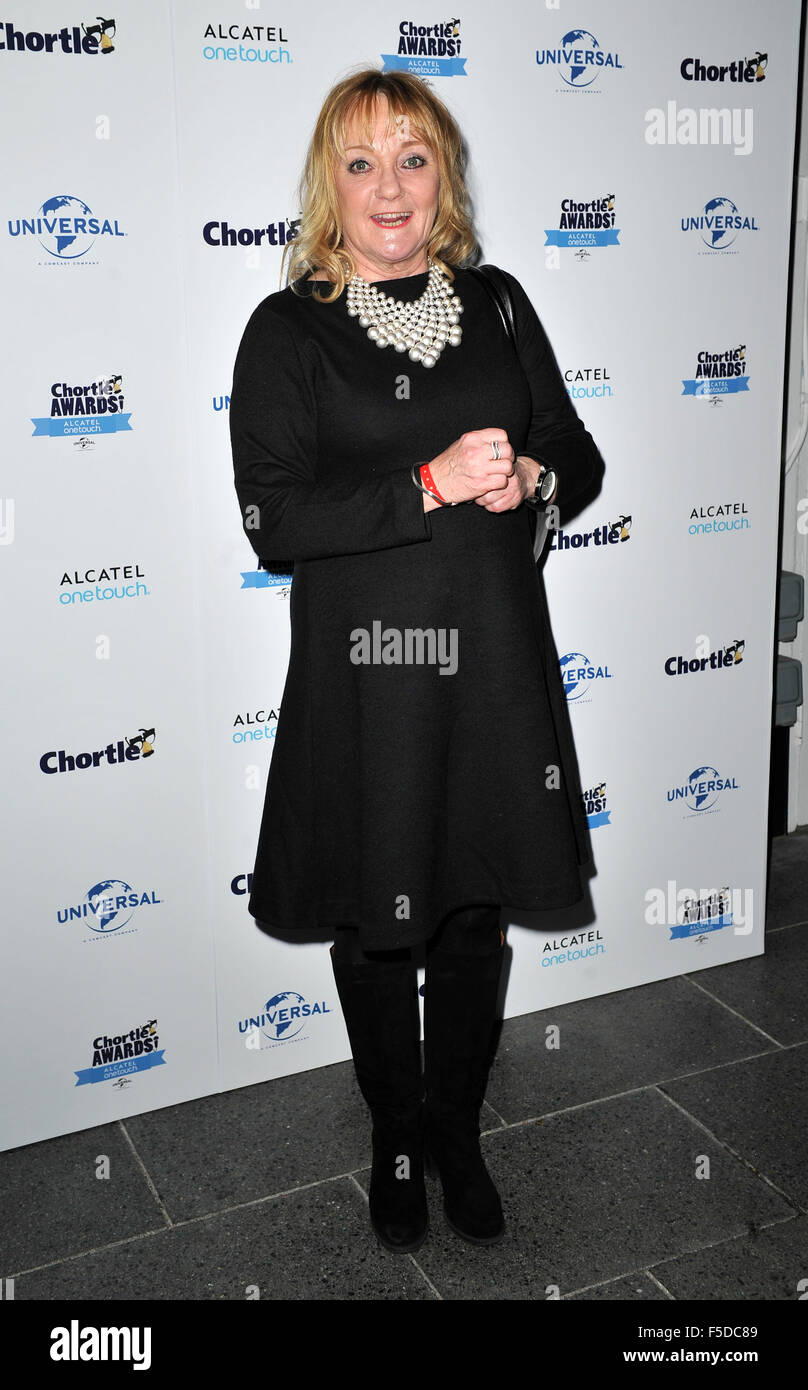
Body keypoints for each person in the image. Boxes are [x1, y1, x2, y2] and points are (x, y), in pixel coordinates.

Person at [229, 67, 604, 1254]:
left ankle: (454, 1129)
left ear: (442, 176)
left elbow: (574, 451)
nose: (387, 184)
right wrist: (428, 483)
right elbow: (274, 521)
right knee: (377, 919)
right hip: (365, 677)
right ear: (327, 186)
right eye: (359, 161)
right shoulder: (287, 329)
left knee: (470, 913)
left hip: (491, 666)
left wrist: (533, 478)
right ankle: (394, 1134)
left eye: (411, 156)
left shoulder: (495, 303)